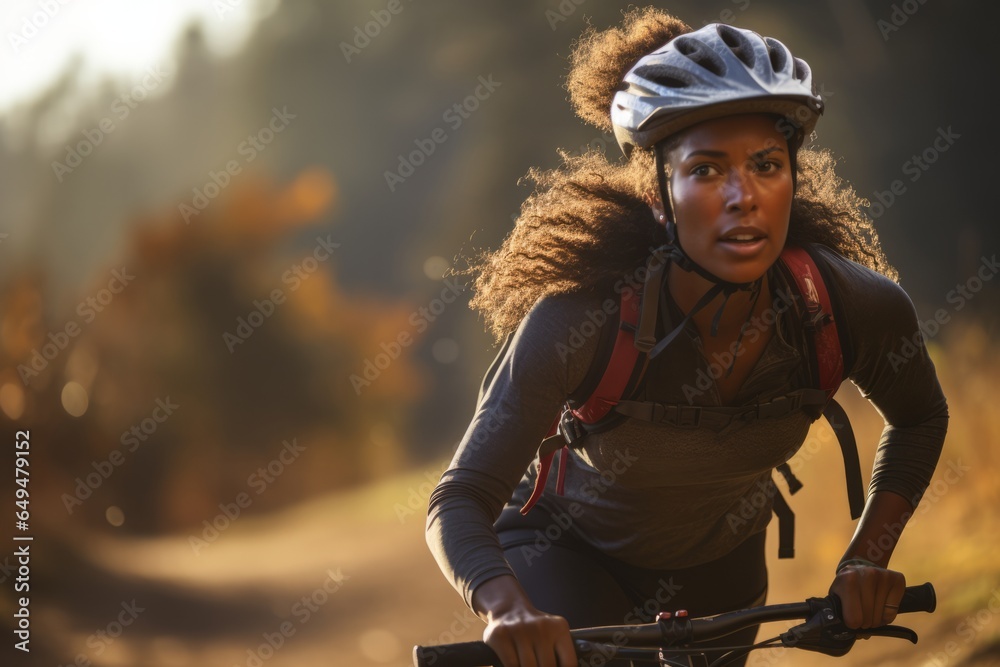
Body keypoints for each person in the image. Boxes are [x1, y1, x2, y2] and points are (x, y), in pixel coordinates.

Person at [425, 7, 948, 667]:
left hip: (720, 566)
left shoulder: (850, 307)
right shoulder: (579, 320)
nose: (743, 195)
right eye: (706, 169)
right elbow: (460, 496)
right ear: (659, 192)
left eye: (767, 163)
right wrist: (509, 608)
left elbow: (921, 415)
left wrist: (865, 559)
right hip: (562, 553)